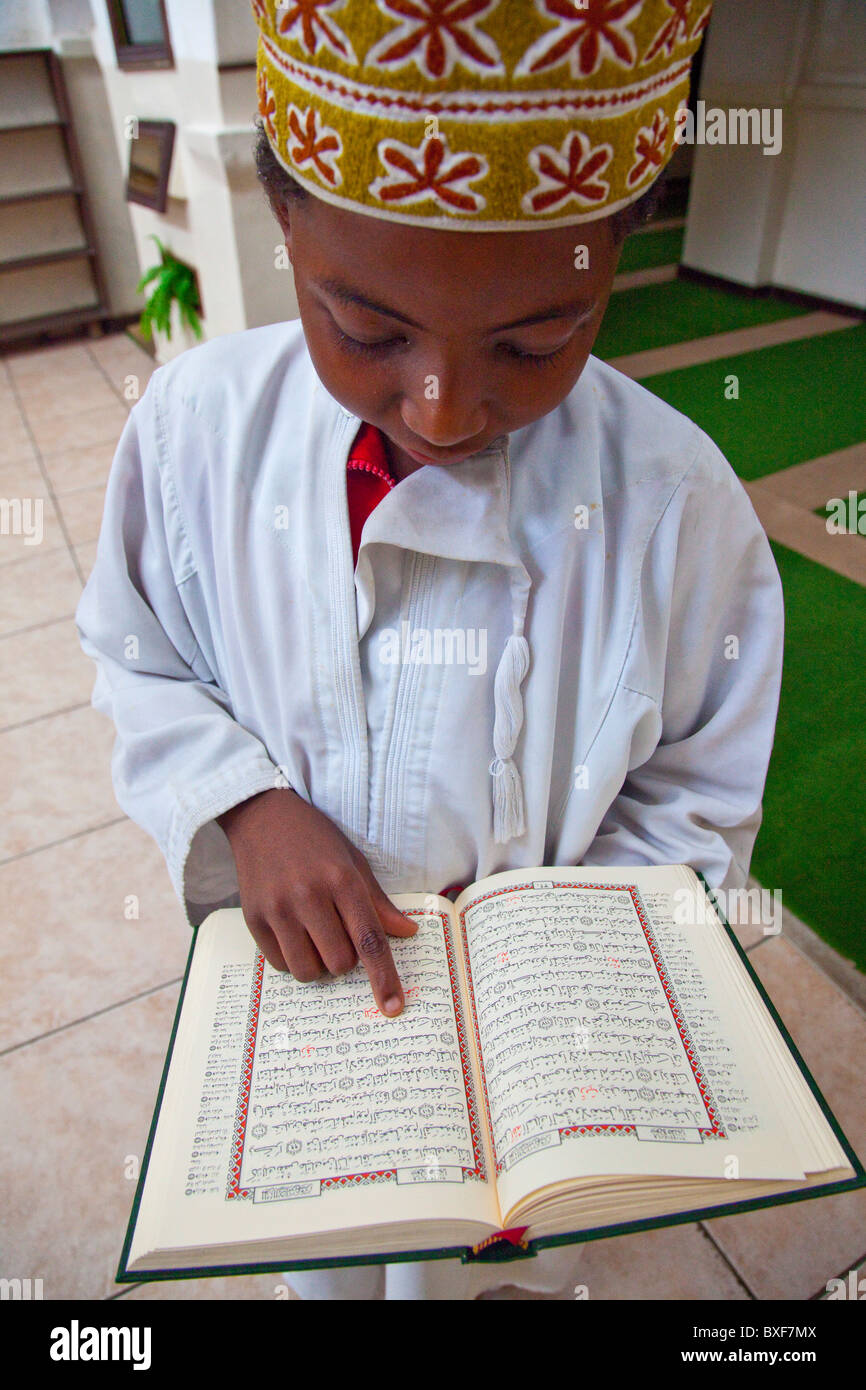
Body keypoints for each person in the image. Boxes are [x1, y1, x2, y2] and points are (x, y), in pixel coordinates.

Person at [76, 0, 782, 1299]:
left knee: (486, 1269)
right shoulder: (194, 436)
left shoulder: (675, 506)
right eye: (367, 328)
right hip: (323, 1012)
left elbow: (695, 782)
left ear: (615, 257)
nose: (445, 405)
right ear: (281, 218)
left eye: (534, 340)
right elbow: (138, 649)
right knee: (335, 1259)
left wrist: (573, 967)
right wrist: (239, 800)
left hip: (536, 1054)